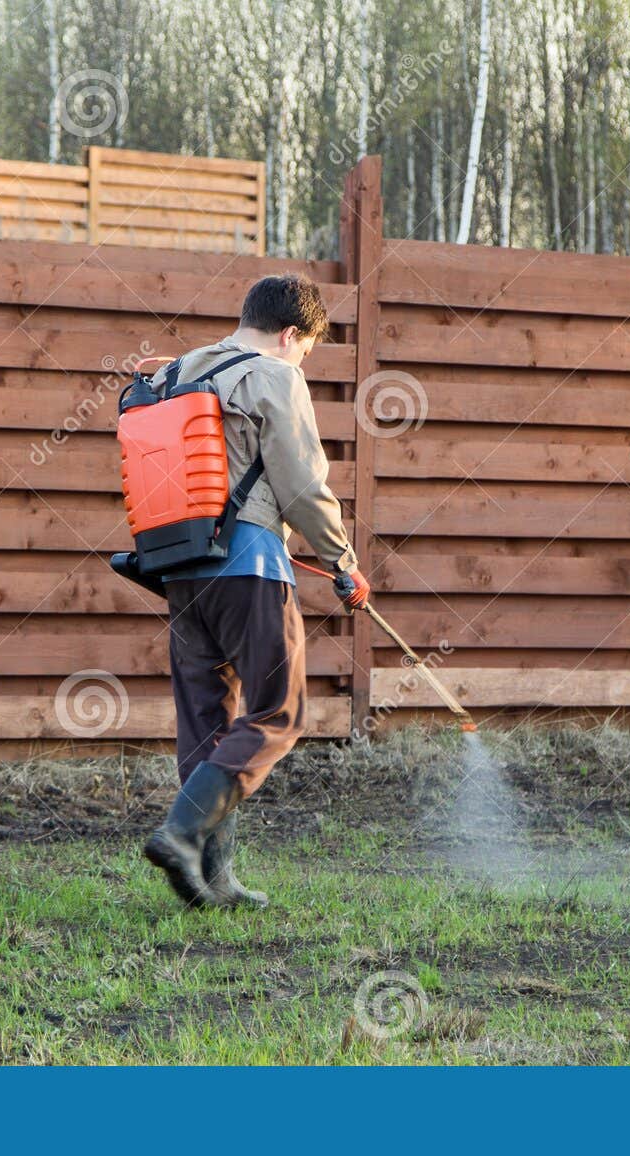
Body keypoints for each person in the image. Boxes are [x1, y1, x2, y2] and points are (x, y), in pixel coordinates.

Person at [141, 274, 370, 909]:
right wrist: (343, 563)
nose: (303, 363)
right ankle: (182, 834)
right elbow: (301, 484)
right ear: (292, 334)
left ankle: (212, 881)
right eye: (306, 350)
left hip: (180, 568)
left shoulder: (176, 371)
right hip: (248, 569)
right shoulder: (275, 374)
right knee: (281, 710)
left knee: (205, 722)